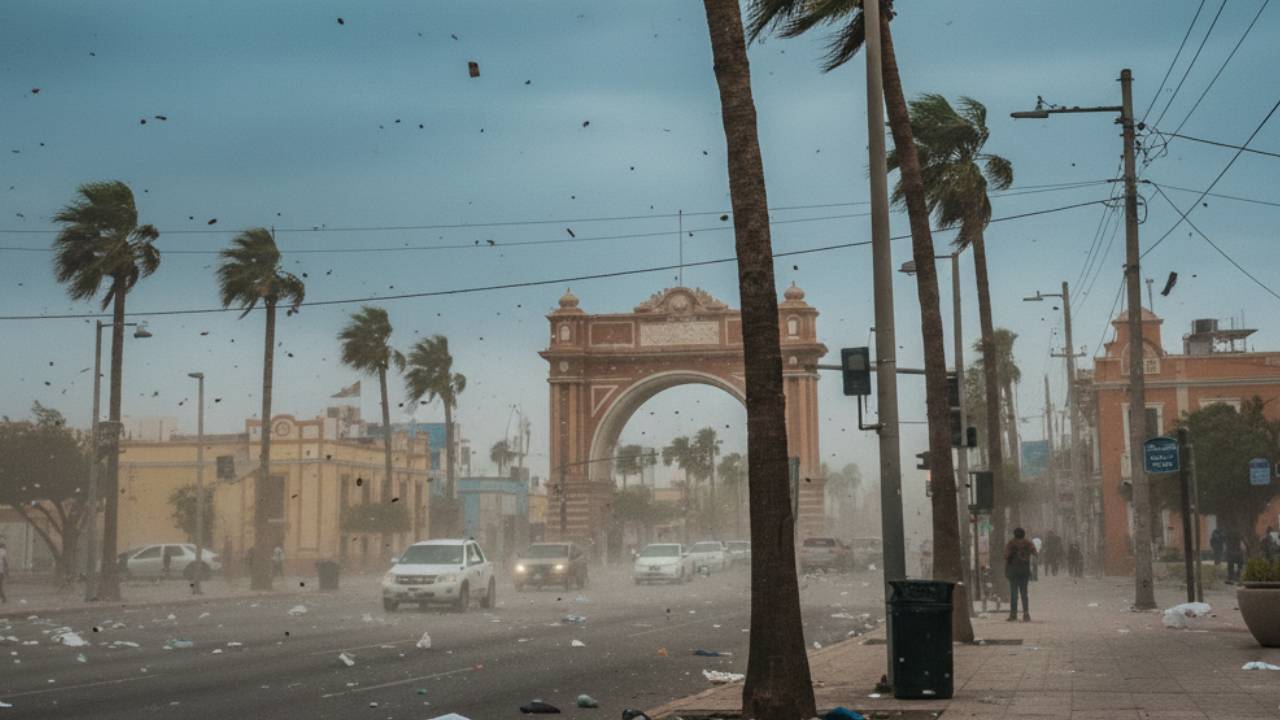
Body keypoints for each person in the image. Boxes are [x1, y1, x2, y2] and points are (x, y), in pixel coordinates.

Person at [1004, 527, 1037, 622]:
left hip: (1013, 572)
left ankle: (1013, 614)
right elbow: (1035, 552)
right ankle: (1026, 614)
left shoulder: (1011, 543)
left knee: (1014, 594)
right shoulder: (1028, 543)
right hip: (1024, 571)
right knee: (1024, 593)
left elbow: (1005, 555)